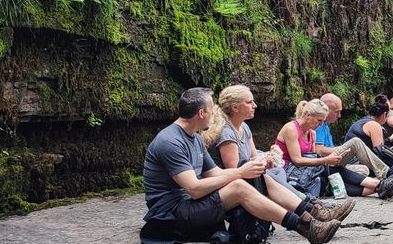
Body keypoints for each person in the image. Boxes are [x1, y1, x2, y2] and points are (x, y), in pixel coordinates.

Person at [140, 88, 338, 244]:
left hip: (189, 203)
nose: (215, 113)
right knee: (239, 185)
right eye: (211, 108)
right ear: (201, 113)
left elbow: (215, 172)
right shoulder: (171, 141)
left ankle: (310, 213)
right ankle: (304, 227)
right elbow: (194, 189)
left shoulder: (195, 138)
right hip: (171, 213)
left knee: (252, 173)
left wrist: (249, 170)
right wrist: (240, 173)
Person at [201, 85, 355, 224]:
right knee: (270, 175)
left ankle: (311, 209)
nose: (255, 105)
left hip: (251, 176)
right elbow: (235, 170)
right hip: (230, 185)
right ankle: (311, 208)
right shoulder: (227, 134)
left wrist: (268, 157)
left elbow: (253, 157)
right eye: (249, 102)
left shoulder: (244, 127)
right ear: (235, 107)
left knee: (276, 171)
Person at [275, 99, 393, 198]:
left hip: (307, 172)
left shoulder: (312, 133)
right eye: (319, 120)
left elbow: (312, 159)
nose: (321, 124)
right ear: (307, 115)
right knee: (330, 169)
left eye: (323, 121)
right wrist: (325, 160)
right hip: (289, 172)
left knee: (333, 175)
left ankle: (380, 188)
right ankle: (379, 184)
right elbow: (297, 160)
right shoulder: (291, 129)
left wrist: (328, 160)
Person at [314, 93, 391, 179]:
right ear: (327, 110)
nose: (339, 116)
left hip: (334, 162)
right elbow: (318, 150)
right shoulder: (319, 125)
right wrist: (344, 148)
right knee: (355, 142)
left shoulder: (325, 125)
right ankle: (386, 173)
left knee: (363, 170)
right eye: (337, 112)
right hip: (326, 163)